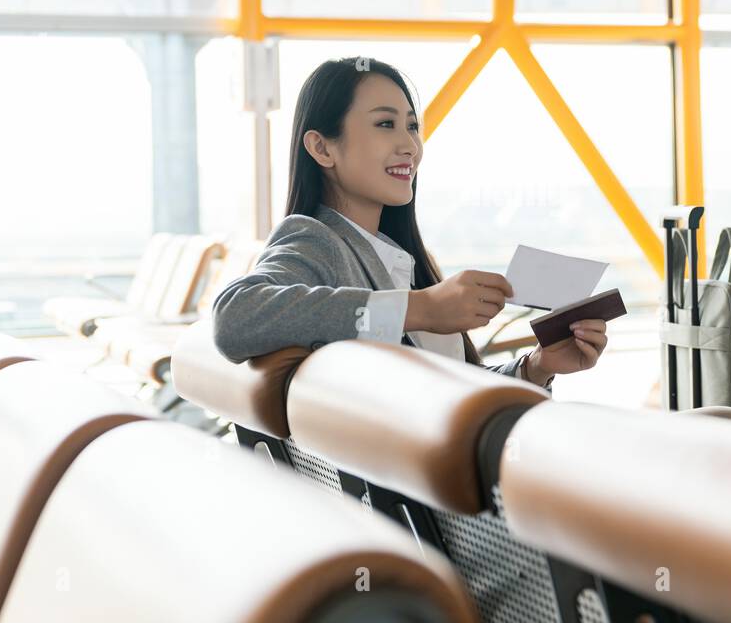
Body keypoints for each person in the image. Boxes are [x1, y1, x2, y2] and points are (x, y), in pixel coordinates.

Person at [212, 56, 607, 391]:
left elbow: (448, 394)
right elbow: (235, 317)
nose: (410, 146)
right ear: (322, 147)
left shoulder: (398, 258)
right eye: (386, 124)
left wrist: (536, 368)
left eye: (413, 126)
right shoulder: (315, 240)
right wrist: (421, 308)